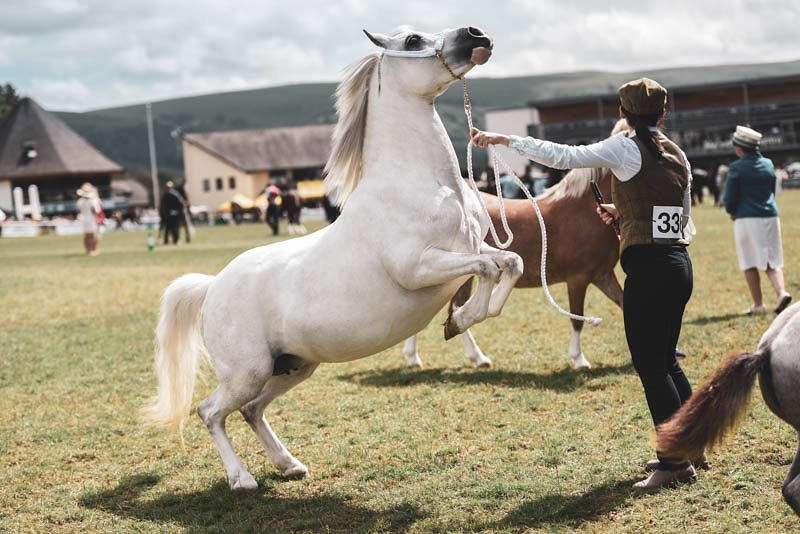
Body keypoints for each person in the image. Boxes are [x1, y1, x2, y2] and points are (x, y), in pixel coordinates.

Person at [472, 78, 701, 489]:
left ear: (622, 113)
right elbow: (681, 216)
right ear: (663, 113)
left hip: (648, 269)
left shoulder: (625, 147)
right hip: (678, 265)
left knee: (652, 367)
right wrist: (627, 214)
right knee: (667, 360)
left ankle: (674, 463)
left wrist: (505, 140)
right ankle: (693, 446)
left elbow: (564, 156)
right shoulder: (677, 153)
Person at [723, 126, 791, 315]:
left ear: (739, 147)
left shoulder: (736, 167)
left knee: (749, 261)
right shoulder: (768, 164)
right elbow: (772, 190)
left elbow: (730, 198)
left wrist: (731, 211)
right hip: (771, 215)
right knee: (772, 260)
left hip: (746, 218)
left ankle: (758, 304)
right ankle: (781, 292)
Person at [76, 182, 101, 256]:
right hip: (91, 219)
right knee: (92, 236)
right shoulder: (92, 201)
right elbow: (97, 211)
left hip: (83, 219)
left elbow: (79, 210)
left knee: (87, 236)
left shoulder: (80, 201)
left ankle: (88, 250)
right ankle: (92, 250)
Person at [160, 181, 185, 245]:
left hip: (170, 214)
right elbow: (181, 202)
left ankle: (170, 240)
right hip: (172, 214)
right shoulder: (174, 194)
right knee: (172, 228)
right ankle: (171, 240)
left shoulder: (165, 194)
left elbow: (162, 205)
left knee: (170, 228)